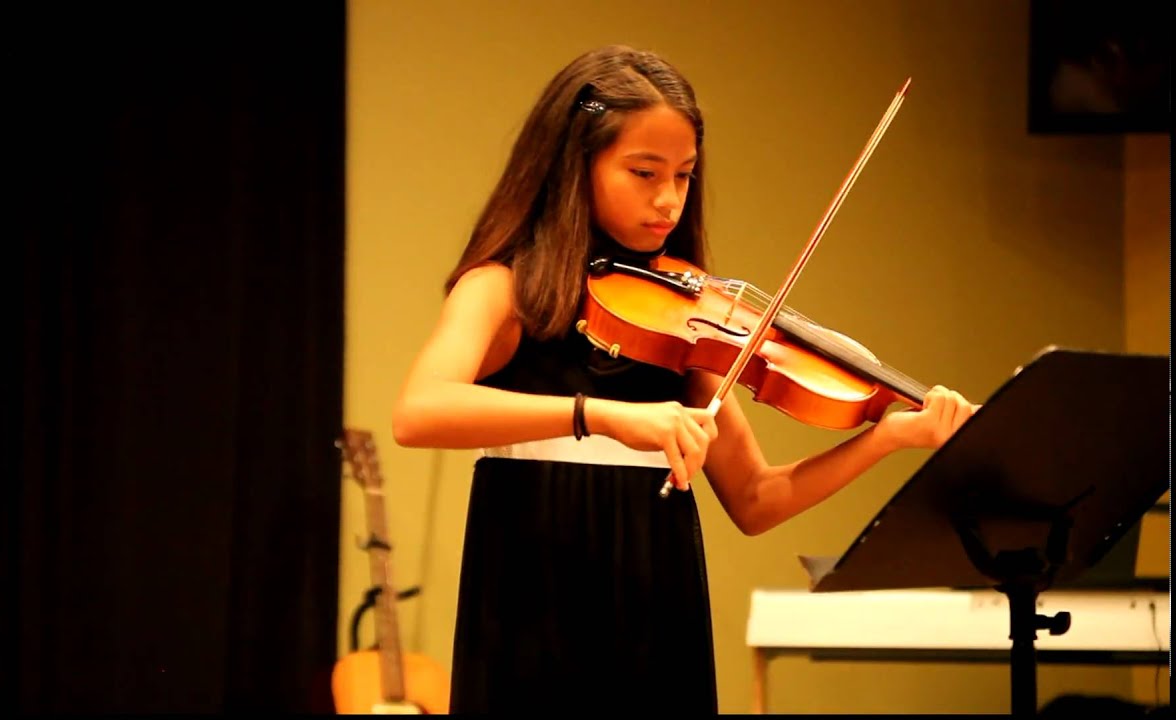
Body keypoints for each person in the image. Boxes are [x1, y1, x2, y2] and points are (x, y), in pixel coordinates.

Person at [391, 44, 976, 714]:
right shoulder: (504, 288)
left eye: (684, 175)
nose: (668, 199)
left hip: (653, 595)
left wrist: (885, 440)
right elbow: (418, 412)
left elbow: (757, 500)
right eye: (643, 172)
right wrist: (602, 415)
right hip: (536, 589)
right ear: (572, 164)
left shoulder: (684, 309)